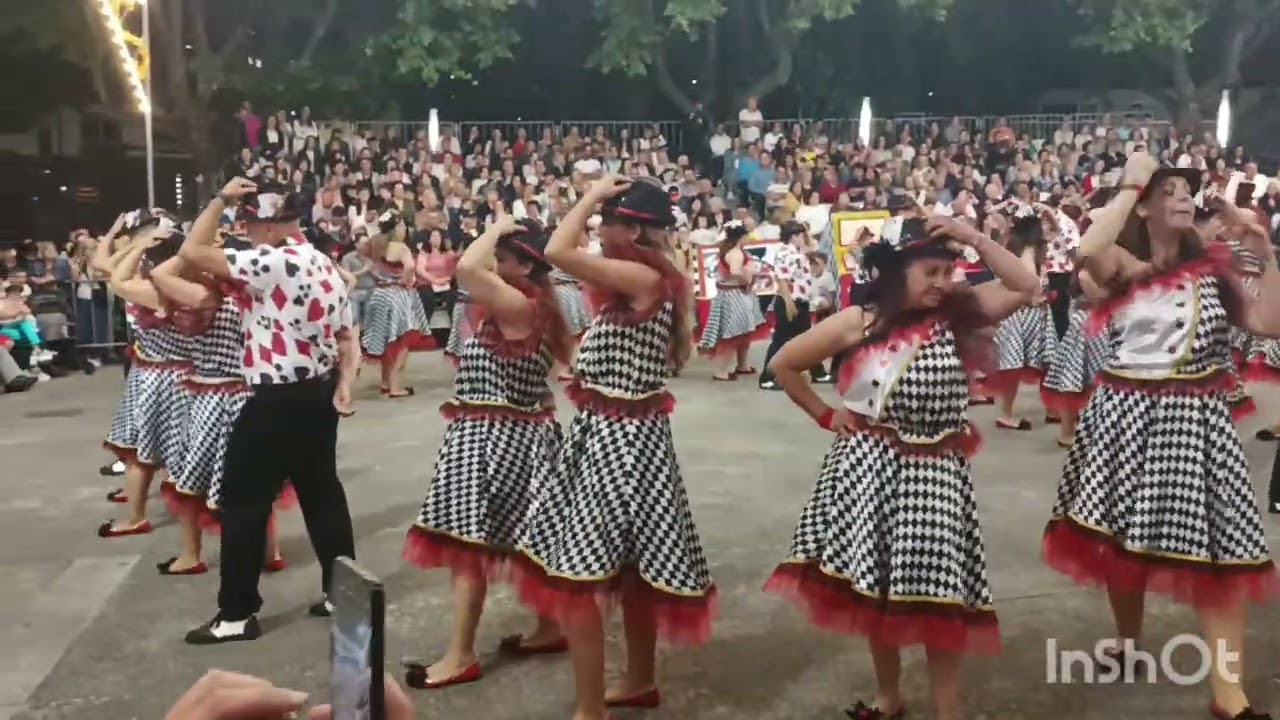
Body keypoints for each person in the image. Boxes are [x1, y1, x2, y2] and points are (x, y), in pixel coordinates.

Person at [762, 214, 1037, 720]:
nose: (941, 283)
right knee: (874, 588)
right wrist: (827, 416)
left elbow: (1027, 285)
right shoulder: (859, 322)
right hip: (869, 470)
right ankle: (889, 697)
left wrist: (973, 238)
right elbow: (785, 364)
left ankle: (946, 710)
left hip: (935, 475)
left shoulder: (961, 313)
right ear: (894, 271)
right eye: (929, 272)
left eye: (946, 271)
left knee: (939, 596)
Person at [1043, 153, 1280, 720]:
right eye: (1167, 190)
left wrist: (1268, 255)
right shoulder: (1123, 262)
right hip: (1124, 412)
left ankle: (1230, 696)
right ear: (1145, 205)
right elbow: (1088, 252)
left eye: (1186, 191)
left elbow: (1267, 324)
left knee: (1225, 553)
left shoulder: (1216, 268)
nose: (1182, 197)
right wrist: (1130, 182)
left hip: (1199, 418)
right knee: (1121, 537)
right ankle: (1127, 641)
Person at [513, 176, 715, 720]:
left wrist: (589, 193)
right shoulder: (651, 278)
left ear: (635, 229)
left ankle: (589, 708)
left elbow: (556, 250)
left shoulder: (640, 274)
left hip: (613, 439)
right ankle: (638, 682)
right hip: (631, 435)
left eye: (611, 219)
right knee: (632, 572)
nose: (601, 228)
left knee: (582, 574)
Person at [177, 178, 359, 644]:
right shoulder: (323, 261)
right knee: (323, 497)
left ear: (272, 224)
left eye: (251, 222)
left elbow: (194, 250)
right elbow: (346, 337)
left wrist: (219, 199)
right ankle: (342, 594)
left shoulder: (271, 260)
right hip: (316, 394)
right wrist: (344, 384)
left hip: (276, 398)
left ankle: (236, 614)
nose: (246, 231)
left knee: (243, 505)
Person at [402, 216, 570, 689]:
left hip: (492, 440)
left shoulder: (518, 303)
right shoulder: (535, 304)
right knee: (521, 540)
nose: (495, 263)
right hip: (512, 435)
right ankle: (551, 626)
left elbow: (466, 269)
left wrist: (495, 226)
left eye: (503, 256)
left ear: (522, 265)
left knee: (469, 551)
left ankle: (460, 655)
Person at [98, 213, 193, 536]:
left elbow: (114, 276)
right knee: (183, 449)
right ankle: (190, 526)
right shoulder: (192, 283)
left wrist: (137, 245)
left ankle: (138, 517)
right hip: (188, 372)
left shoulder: (152, 289)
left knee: (140, 452)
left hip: (155, 375)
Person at [361, 208, 430, 397]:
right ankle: (396, 387)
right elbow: (410, 267)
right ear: (397, 226)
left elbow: (367, 265)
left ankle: (385, 383)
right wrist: (405, 281)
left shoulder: (374, 244)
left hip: (378, 294)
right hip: (397, 295)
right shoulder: (400, 247)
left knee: (385, 339)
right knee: (401, 340)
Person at [758, 220, 832, 390]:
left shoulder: (797, 253)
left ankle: (817, 372)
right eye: (801, 235)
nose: (803, 238)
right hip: (790, 301)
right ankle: (767, 377)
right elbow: (782, 278)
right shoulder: (786, 253)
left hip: (801, 300)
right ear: (794, 236)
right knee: (780, 340)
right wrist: (788, 301)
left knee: (808, 339)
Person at [696, 220, 765, 380]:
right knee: (732, 333)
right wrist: (747, 277)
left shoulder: (734, 250)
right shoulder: (735, 253)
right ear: (742, 236)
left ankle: (742, 365)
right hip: (734, 295)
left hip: (737, 294)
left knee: (743, 331)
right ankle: (720, 371)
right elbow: (734, 271)